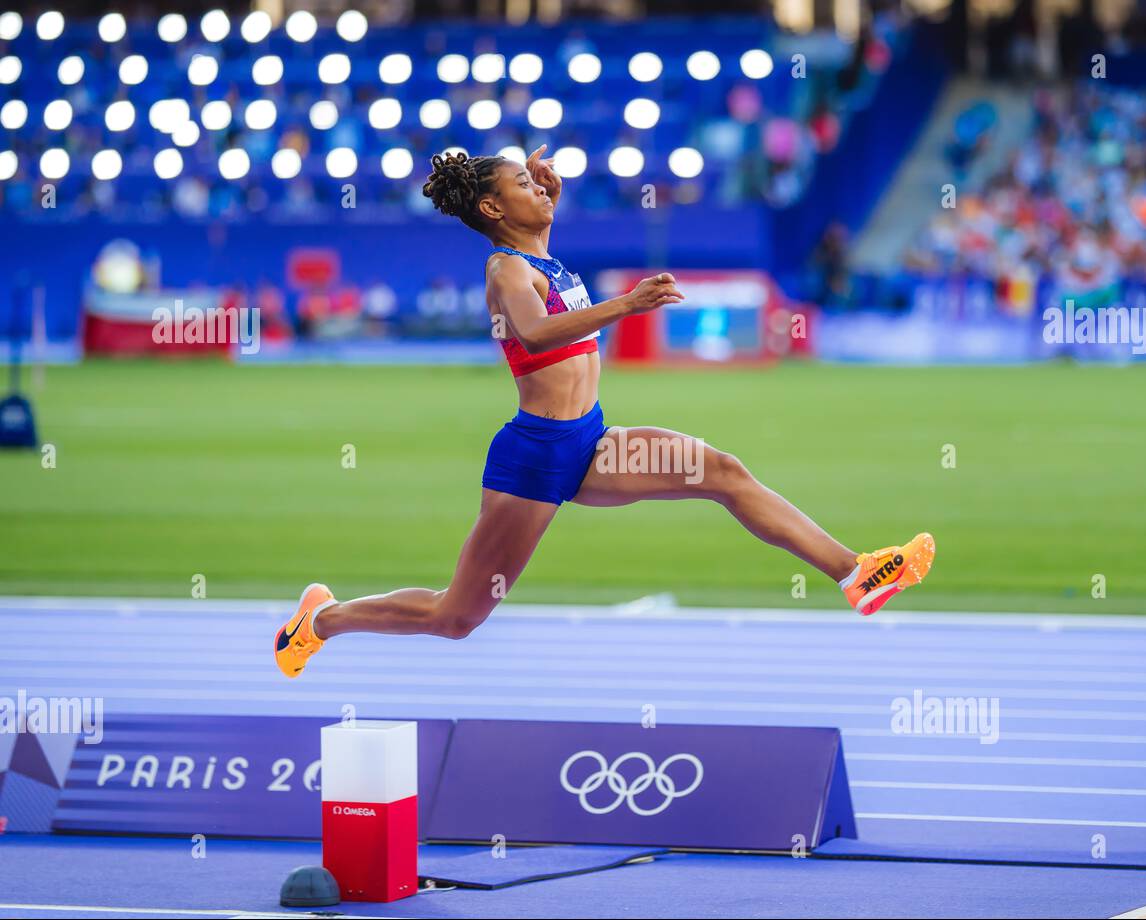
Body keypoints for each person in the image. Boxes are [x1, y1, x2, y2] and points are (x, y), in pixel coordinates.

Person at [274, 147, 934, 677]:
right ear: (490, 206)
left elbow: (544, 260)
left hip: (592, 442)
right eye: (522, 185)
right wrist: (627, 304)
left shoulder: (540, 255)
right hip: (534, 458)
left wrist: (549, 208)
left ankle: (855, 573)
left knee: (724, 472)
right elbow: (534, 333)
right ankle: (321, 619)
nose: (537, 187)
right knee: (457, 616)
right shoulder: (505, 271)